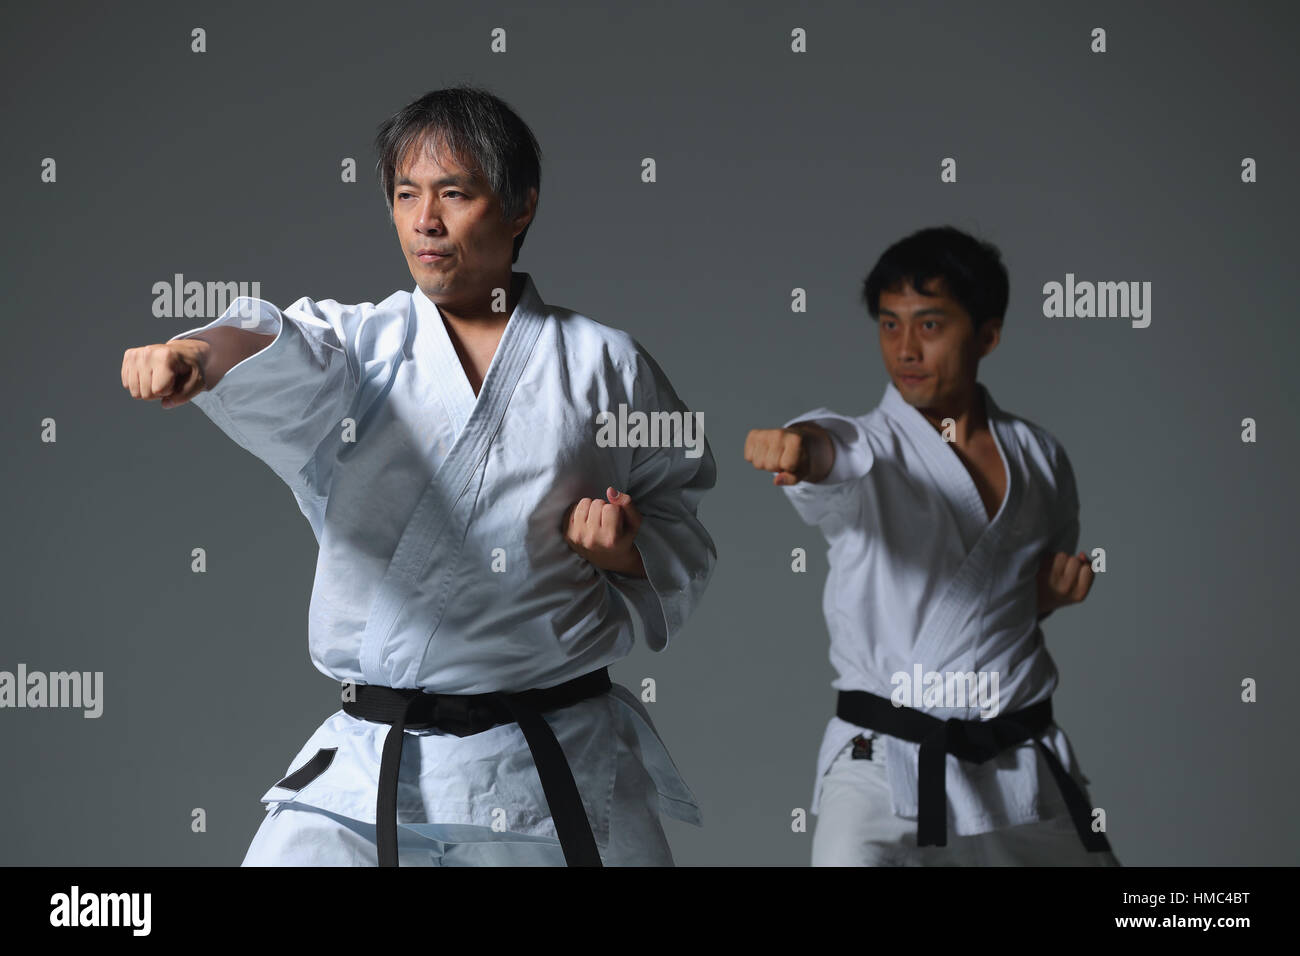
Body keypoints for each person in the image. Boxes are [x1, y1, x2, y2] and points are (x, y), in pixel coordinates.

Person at [120, 85, 716, 867]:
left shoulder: (607, 365)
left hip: (546, 765)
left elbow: (683, 514)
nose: (424, 221)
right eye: (406, 195)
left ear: (520, 205)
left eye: (454, 194)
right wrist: (199, 355)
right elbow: (280, 342)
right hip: (373, 768)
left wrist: (625, 553)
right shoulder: (364, 346)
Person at [743, 226, 1120, 866]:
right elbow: (836, 450)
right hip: (882, 761)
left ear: (988, 335)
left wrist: (1044, 598)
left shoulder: (1040, 457)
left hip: (1017, 760)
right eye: (890, 326)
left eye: (930, 325)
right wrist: (800, 449)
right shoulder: (871, 446)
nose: (905, 349)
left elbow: (987, 609)